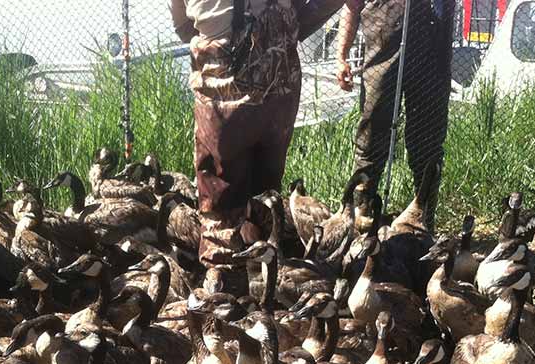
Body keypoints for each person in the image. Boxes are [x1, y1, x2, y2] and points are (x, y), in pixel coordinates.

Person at [169, 0, 303, 285]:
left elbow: (181, 25)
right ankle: (262, 280)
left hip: (222, 81)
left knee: (220, 196)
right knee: (266, 192)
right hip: (280, 78)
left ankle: (225, 291)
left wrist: (214, 34)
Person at [335, 0, 456, 223]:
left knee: (428, 142)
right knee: (372, 133)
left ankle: (422, 218)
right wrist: (341, 56)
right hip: (383, 47)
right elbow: (352, 5)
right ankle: (360, 214)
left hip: (432, 51)